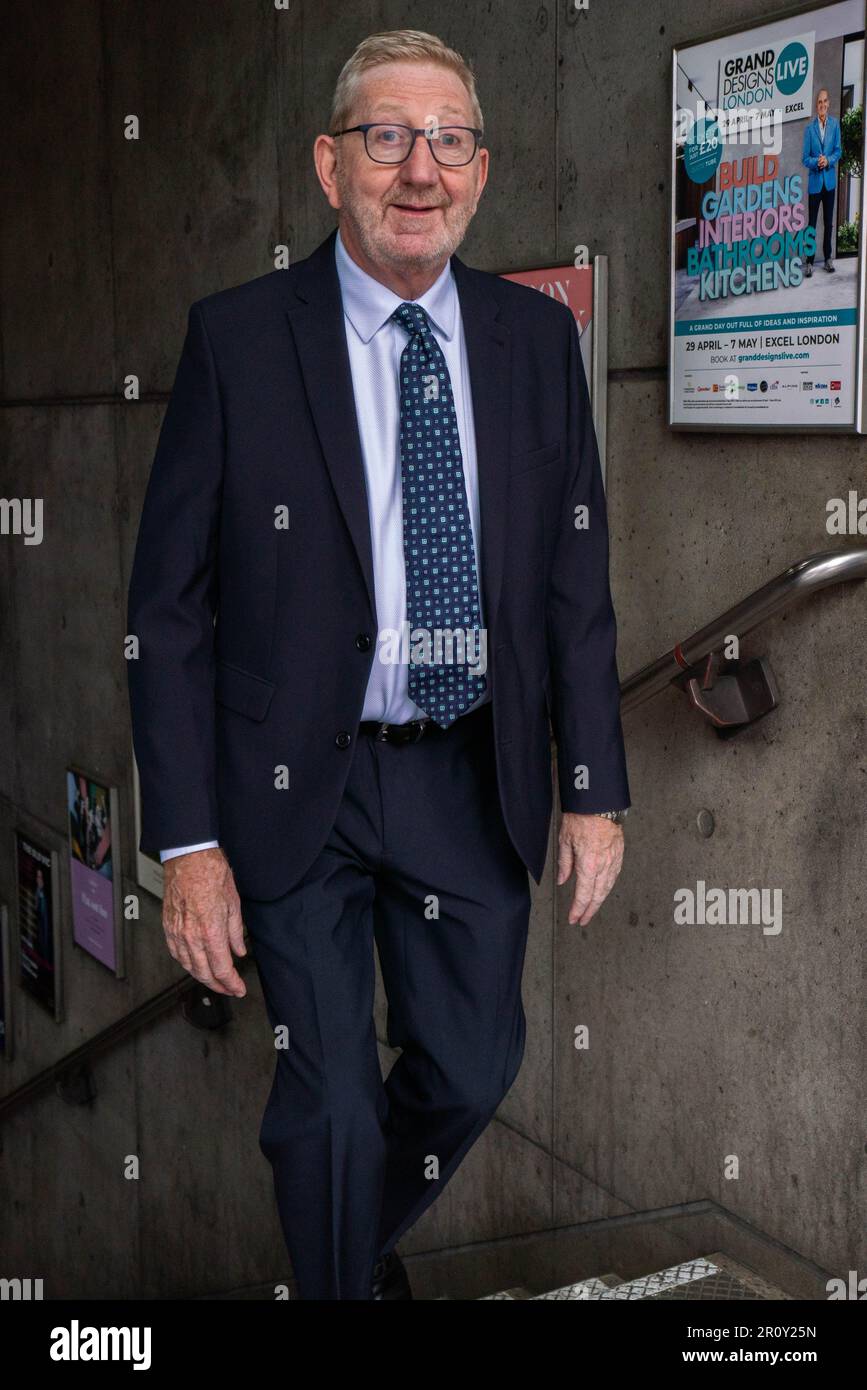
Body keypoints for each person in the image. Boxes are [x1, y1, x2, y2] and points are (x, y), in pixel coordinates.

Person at [127, 28, 630, 1301]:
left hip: (468, 771)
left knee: (471, 1066)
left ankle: (346, 1251)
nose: (422, 169)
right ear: (328, 166)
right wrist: (184, 845)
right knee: (335, 1096)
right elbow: (169, 613)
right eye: (388, 137)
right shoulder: (240, 342)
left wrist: (594, 788)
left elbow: (575, 584)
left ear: (479, 168)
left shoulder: (532, 344)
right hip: (300, 778)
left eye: (451, 140)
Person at [802, 88, 842, 276]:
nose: (822, 105)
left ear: (829, 103)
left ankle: (827, 258)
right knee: (811, 224)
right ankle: (809, 262)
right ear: (816, 105)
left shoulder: (835, 126)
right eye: (819, 102)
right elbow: (804, 158)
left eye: (825, 101)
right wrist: (817, 163)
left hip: (830, 183)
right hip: (815, 183)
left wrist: (828, 160)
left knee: (828, 223)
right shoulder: (809, 129)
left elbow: (837, 151)